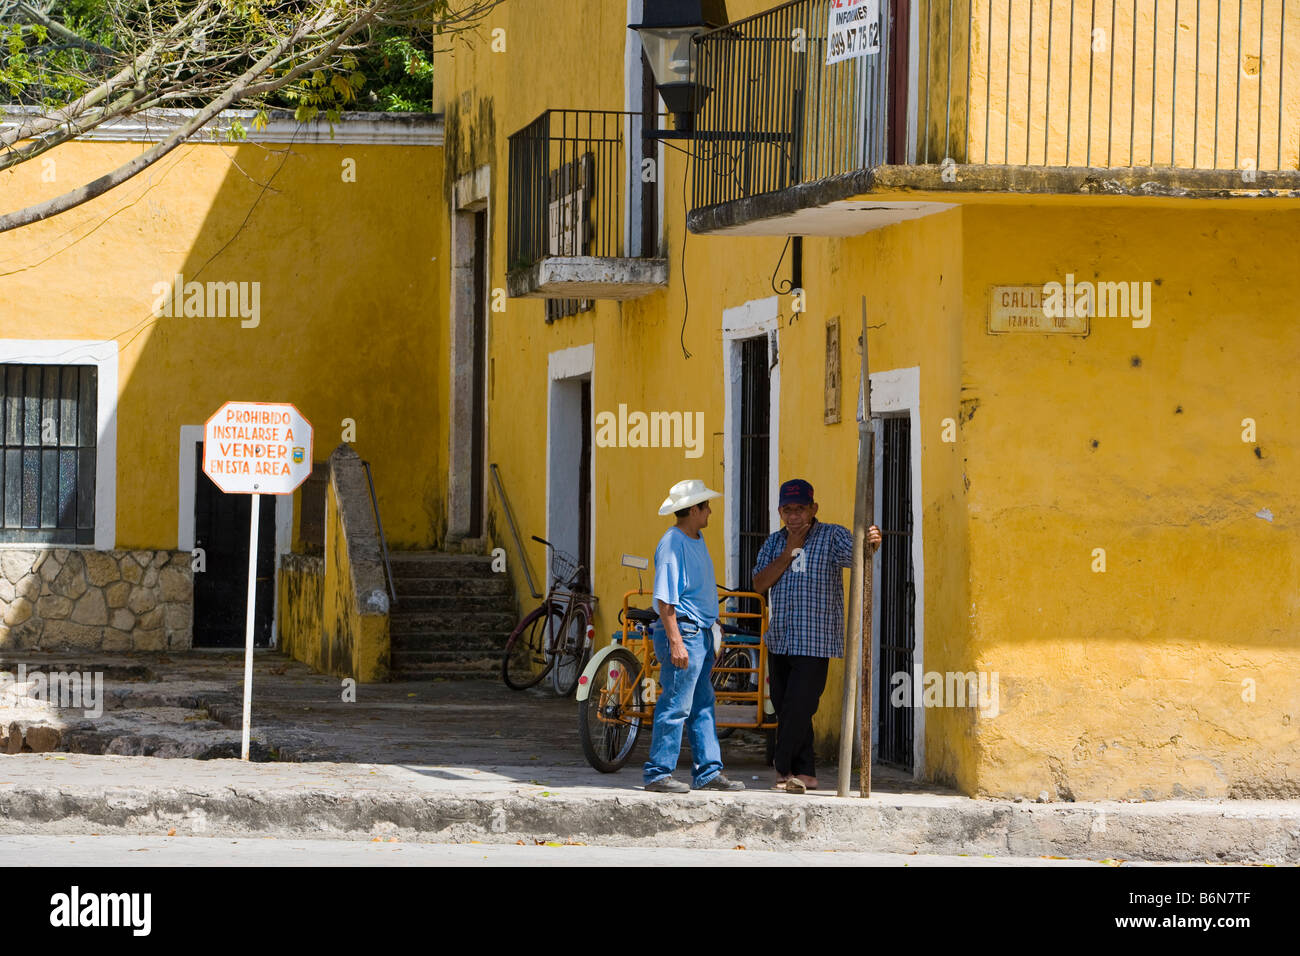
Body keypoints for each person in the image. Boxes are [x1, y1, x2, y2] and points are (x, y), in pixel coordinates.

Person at [752, 478, 881, 794]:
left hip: (815, 640)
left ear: (813, 508)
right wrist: (787, 554)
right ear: (780, 511)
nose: (794, 516)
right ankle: (806, 773)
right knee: (787, 707)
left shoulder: (831, 535)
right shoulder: (773, 543)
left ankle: (782, 767)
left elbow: (857, 555)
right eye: (788, 510)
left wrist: (871, 542)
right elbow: (758, 584)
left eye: (800, 509)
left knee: (800, 704)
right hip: (781, 638)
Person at [642, 479, 745, 793]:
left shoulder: (694, 539)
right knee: (676, 704)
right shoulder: (673, 543)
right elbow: (665, 599)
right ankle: (658, 773)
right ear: (693, 510)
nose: (710, 511)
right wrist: (676, 641)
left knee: (702, 703)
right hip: (684, 631)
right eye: (706, 506)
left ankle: (708, 772)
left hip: (697, 631)